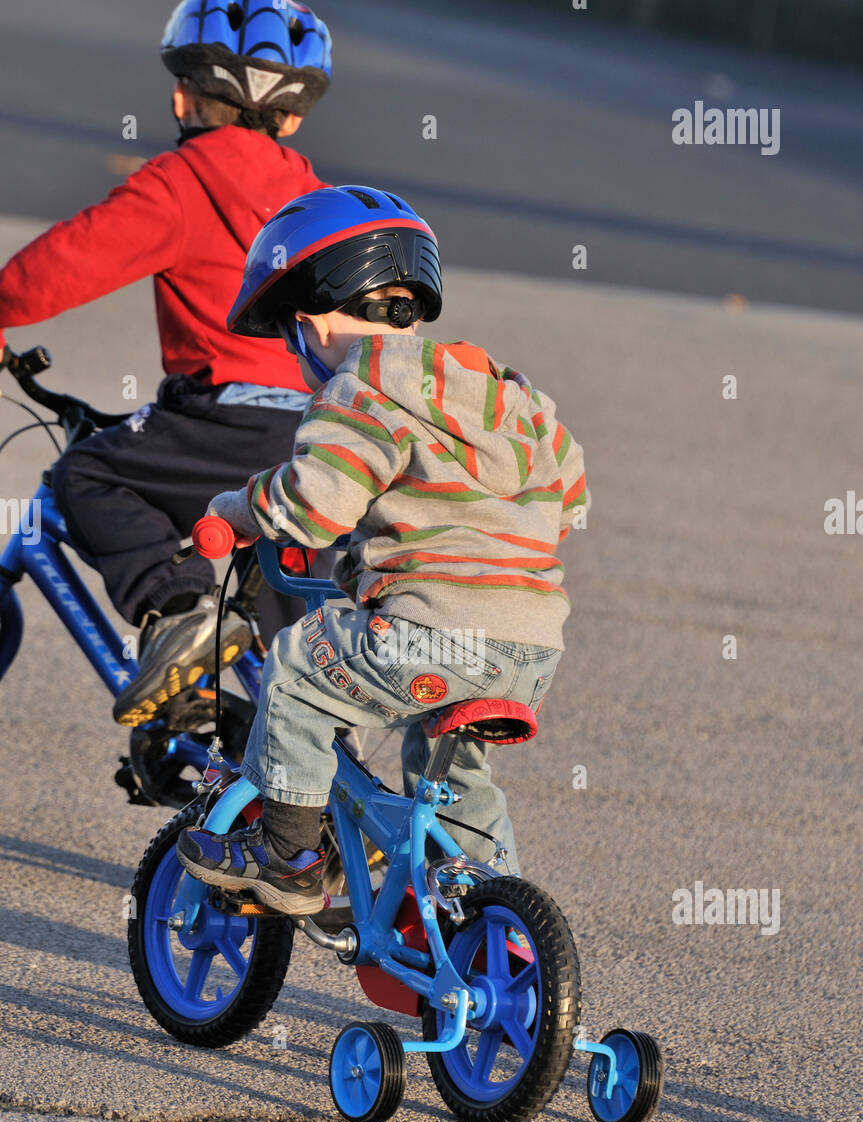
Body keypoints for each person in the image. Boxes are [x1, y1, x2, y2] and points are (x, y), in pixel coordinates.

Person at [178, 185, 587, 913]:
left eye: (286, 332)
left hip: (429, 633)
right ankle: (492, 921)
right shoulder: (508, 393)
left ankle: (287, 857)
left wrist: (238, 513)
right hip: (531, 649)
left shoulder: (361, 387)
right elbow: (570, 498)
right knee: (452, 774)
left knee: (300, 666)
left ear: (307, 322)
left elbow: (315, 504)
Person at [0, 0, 332, 727]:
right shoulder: (317, 198)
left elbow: (61, 267)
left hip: (228, 415)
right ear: (295, 118)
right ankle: (309, 788)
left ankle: (177, 607)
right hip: (324, 434)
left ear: (186, 95)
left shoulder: (186, 179)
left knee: (90, 474)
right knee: (290, 621)